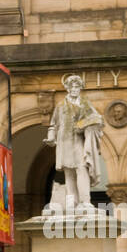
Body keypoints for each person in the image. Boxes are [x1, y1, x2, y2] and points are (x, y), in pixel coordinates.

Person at [44, 74, 105, 211]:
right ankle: (72, 202)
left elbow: (97, 119)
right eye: (72, 86)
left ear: (80, 88)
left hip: (79, 142)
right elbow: (53, 124)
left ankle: (85, 201)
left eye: (77, 86)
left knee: (81, 169)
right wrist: (51, 138)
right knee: (69, 174)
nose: (74, 89)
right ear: (67, 88)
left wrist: (82, 125)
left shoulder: (85, 104)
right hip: (64, 142)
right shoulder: (60, 106)